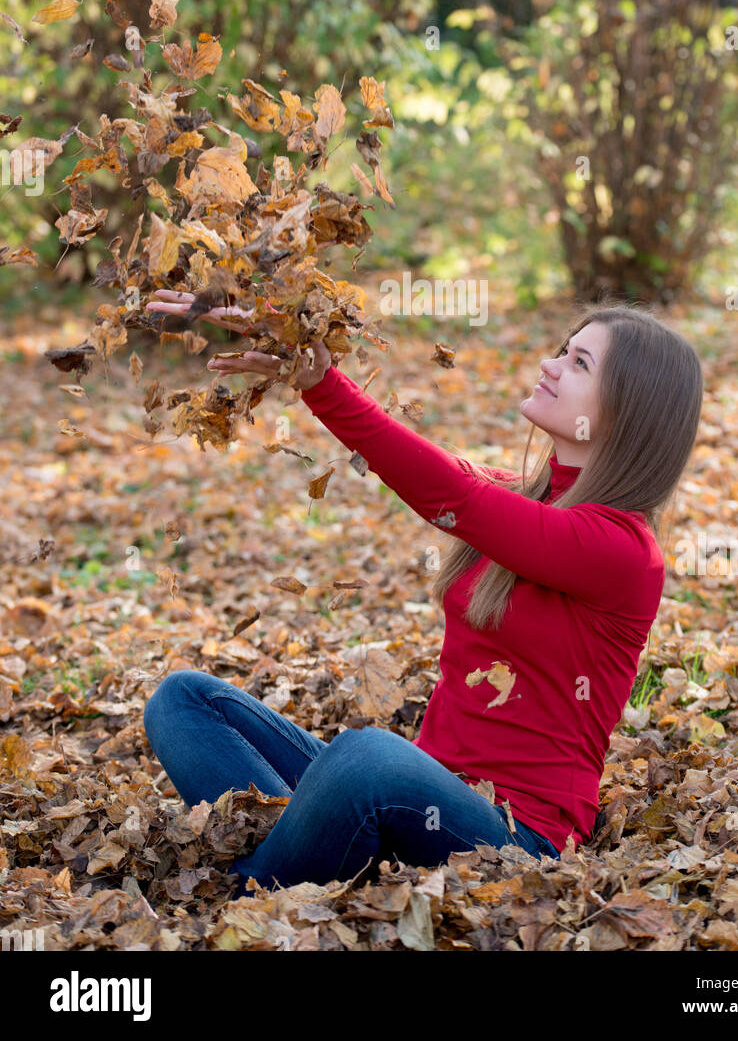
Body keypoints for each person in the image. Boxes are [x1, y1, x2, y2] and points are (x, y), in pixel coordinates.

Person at [142, 292, 703, 896]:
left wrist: (322, 384)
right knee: (184, 700)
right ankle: (301, 856)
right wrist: (287, 336)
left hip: (515, 838)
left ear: (627, 413)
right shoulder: (530, 500)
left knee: (366, 759)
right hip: (422, 794)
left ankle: (248, 893)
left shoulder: (620, 549)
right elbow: (451, 475)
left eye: (580, 364)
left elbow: (453, 498)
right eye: (563, 351)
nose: (550, 364)